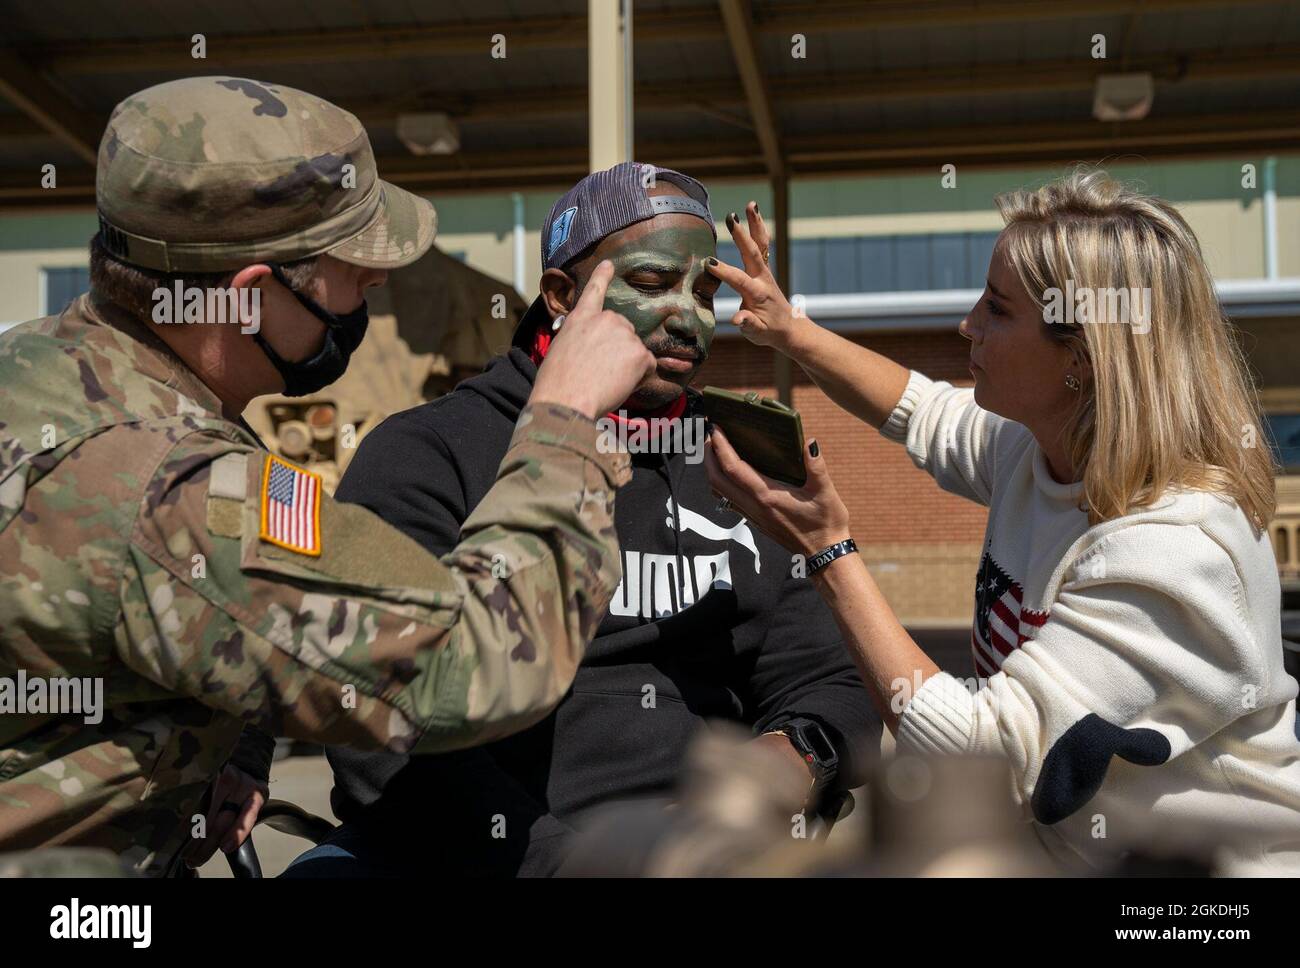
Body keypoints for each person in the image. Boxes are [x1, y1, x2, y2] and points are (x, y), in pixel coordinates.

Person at [0, 77, 654, 876]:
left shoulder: (40, 367)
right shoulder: (178, 489)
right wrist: (565, 422)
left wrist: (219, 744)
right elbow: (472, 665)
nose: (376, 286)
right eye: (354, 268)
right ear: (247, 300)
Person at [703, 169, 1300, 875]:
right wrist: (789, 330)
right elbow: (919, 410)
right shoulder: (1040, 448)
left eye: (997, 308)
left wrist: (829, 552)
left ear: (1081, 356)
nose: (968, 326)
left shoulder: (1174, 552)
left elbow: (978, 757)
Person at [294, 162, 879, 877]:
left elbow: (838, 682)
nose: (686, 315)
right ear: (563, 295)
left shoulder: (742, 459)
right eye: (652, 282)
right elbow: (377, 729)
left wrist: (788, 761)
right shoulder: (429, 451)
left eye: (703, 290)